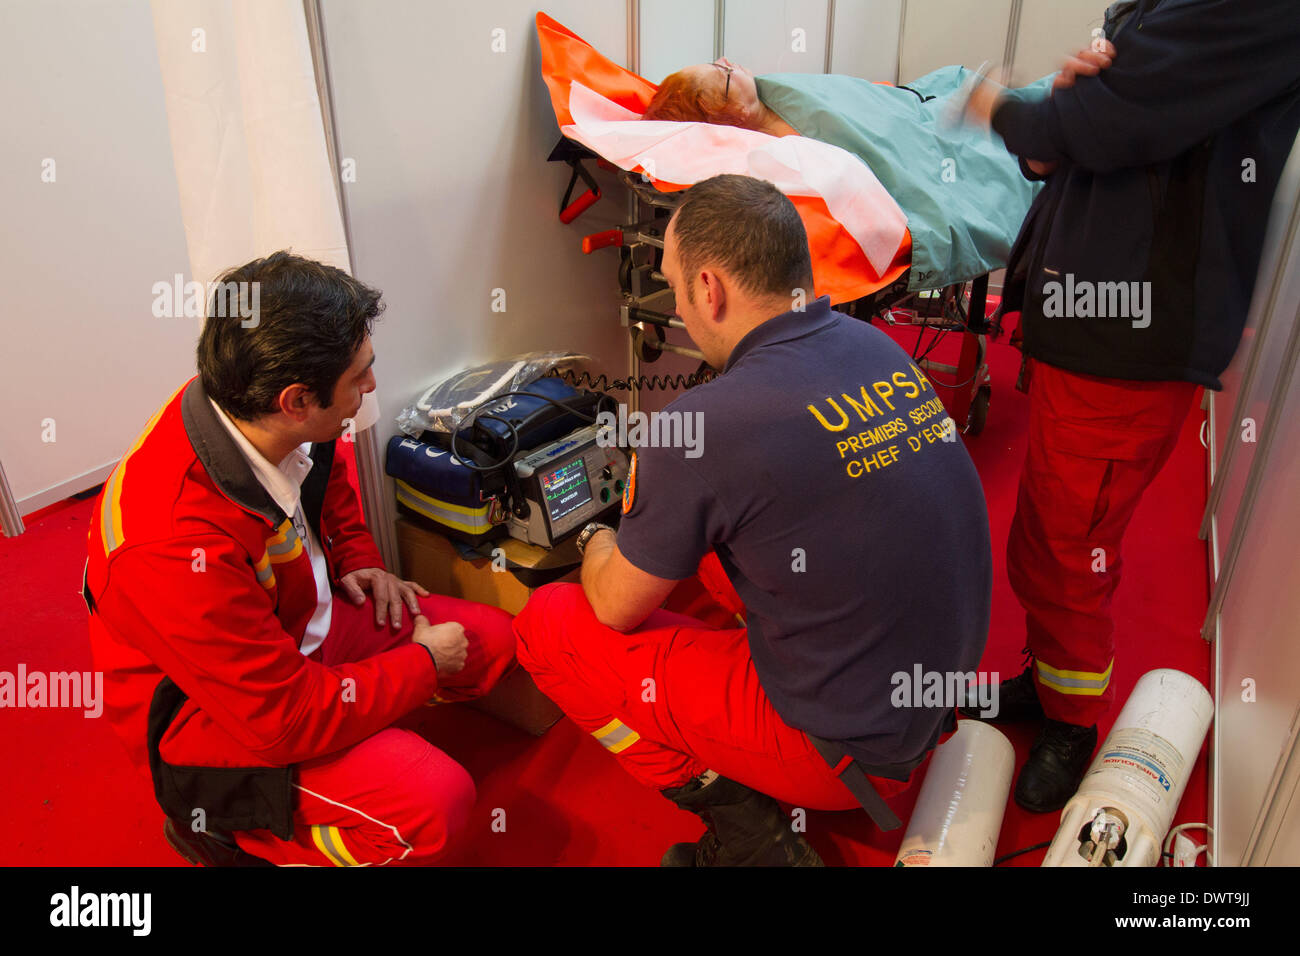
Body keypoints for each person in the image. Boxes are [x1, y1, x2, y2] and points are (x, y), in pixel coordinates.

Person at [513, 174, 992, 866]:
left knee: (549, 626)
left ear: (709, 289)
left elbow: (615, 607)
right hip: (930, 695)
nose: (679, 307)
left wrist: (597, 540)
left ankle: (747, 837)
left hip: (844, 748)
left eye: (676, 288)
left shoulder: (703, 426)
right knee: (716, 547)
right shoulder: (876, 349)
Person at [959, 0, 1300, 812]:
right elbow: (1095, 123)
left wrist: (1004, 108)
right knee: (1050, 536)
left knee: (1071, 548)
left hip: (1124, 339)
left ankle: (1074, 720)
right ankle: (1050, 686)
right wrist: (1066, 110)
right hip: (1095, 321)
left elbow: (1097, 124)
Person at [84, 251, 517, 866]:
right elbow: (281, 717)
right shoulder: (171, 545)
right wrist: (422, 663)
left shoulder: (249, 406)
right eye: (360, 375)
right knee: (437, 802)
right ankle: (229, 832)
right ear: (296, 400)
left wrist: (357, 557)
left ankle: (360, 739)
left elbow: (325, 473)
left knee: (492, 643)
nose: (371, 385)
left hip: (295, 629)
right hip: (219, 718)